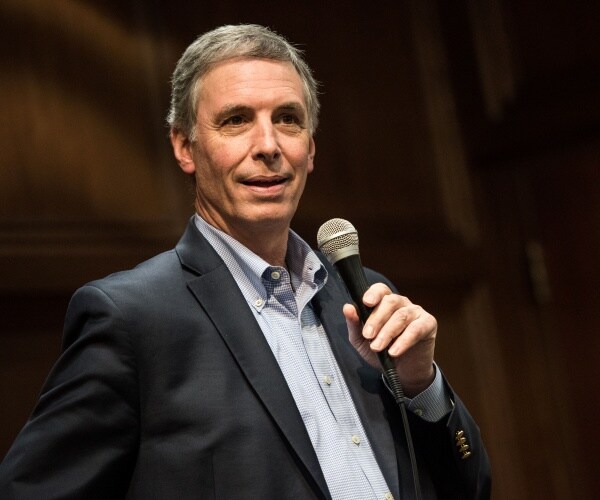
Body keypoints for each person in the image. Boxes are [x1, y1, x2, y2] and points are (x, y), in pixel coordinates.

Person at [0, 24, 491, 499]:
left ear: (310, 148)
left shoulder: (363, 296)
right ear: (185, 147)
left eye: (288, 119)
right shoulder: (132, 318)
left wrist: (421, 385)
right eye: (236, 120)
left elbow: (470, 487)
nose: (269, 146)